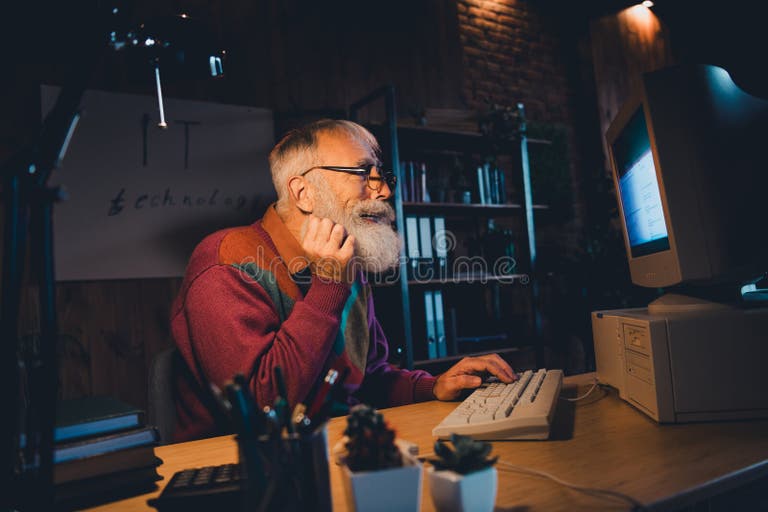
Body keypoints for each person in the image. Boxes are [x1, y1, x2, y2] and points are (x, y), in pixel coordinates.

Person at [170, 119, 517, 442]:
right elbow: (263, 408)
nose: (383, 192)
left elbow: (368, 378)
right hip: (241, 470)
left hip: (335, 444)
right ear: (304, 193)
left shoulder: (346, 263)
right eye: (363, 173)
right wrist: (329, 284)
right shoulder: (226, 262)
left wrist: (433, 386)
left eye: (382, 176)